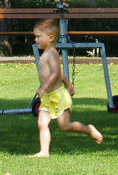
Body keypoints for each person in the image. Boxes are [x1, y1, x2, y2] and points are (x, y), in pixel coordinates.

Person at [31, 18, 103, 156]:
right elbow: (61, 74)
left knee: (65, 126)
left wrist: (43, 87)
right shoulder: (45, 53)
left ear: (51, 37)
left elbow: (56, 73)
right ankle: (44, 151)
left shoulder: (52, 54)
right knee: (42, 123)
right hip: (47, 97)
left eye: (38, 37)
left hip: (57, 96)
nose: (36, 40)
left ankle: (89, 129)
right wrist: (68, 85)